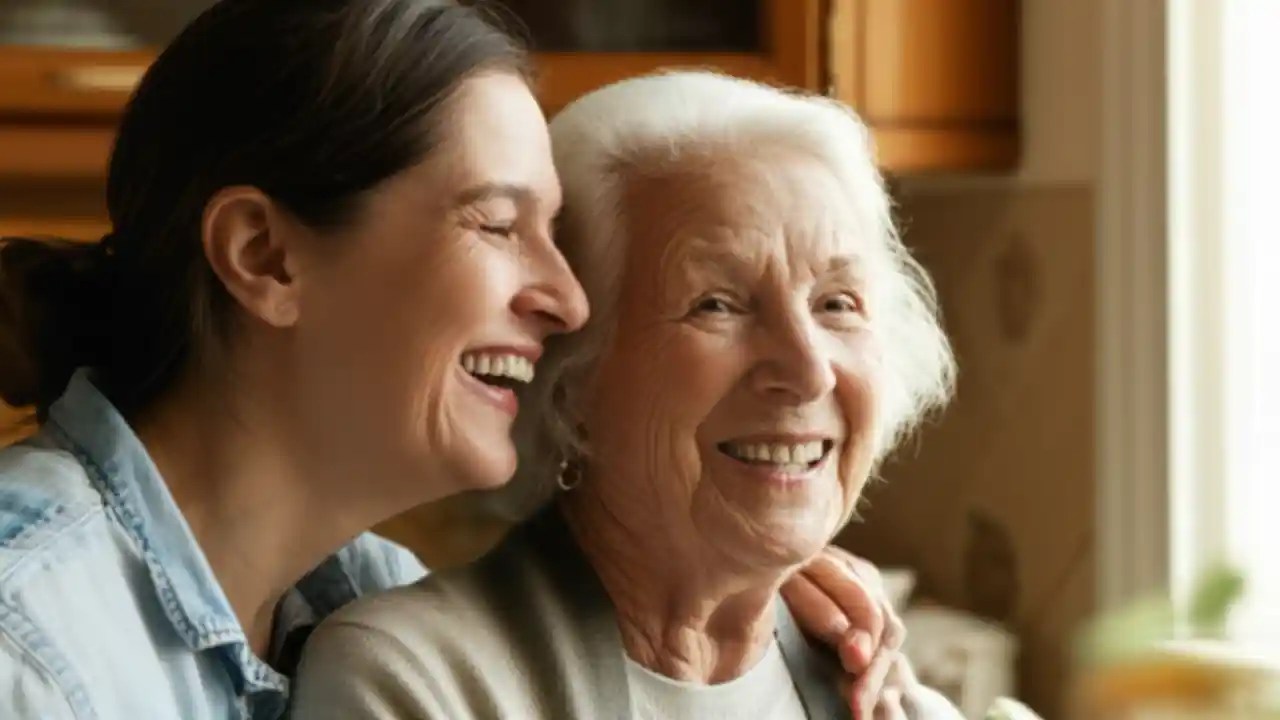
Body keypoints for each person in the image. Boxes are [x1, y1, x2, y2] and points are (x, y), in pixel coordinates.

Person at [0, 3, 906, 718]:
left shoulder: (361, 599)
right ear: (267, 257)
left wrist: (757, 580)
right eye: (499, 225)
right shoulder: (26, 647)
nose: (568, 300)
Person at [291, 71, 962, 720]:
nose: (809, 370)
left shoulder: (883, 694)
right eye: (718, 305)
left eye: (837, 303)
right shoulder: (413, 682)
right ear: (570, 379)